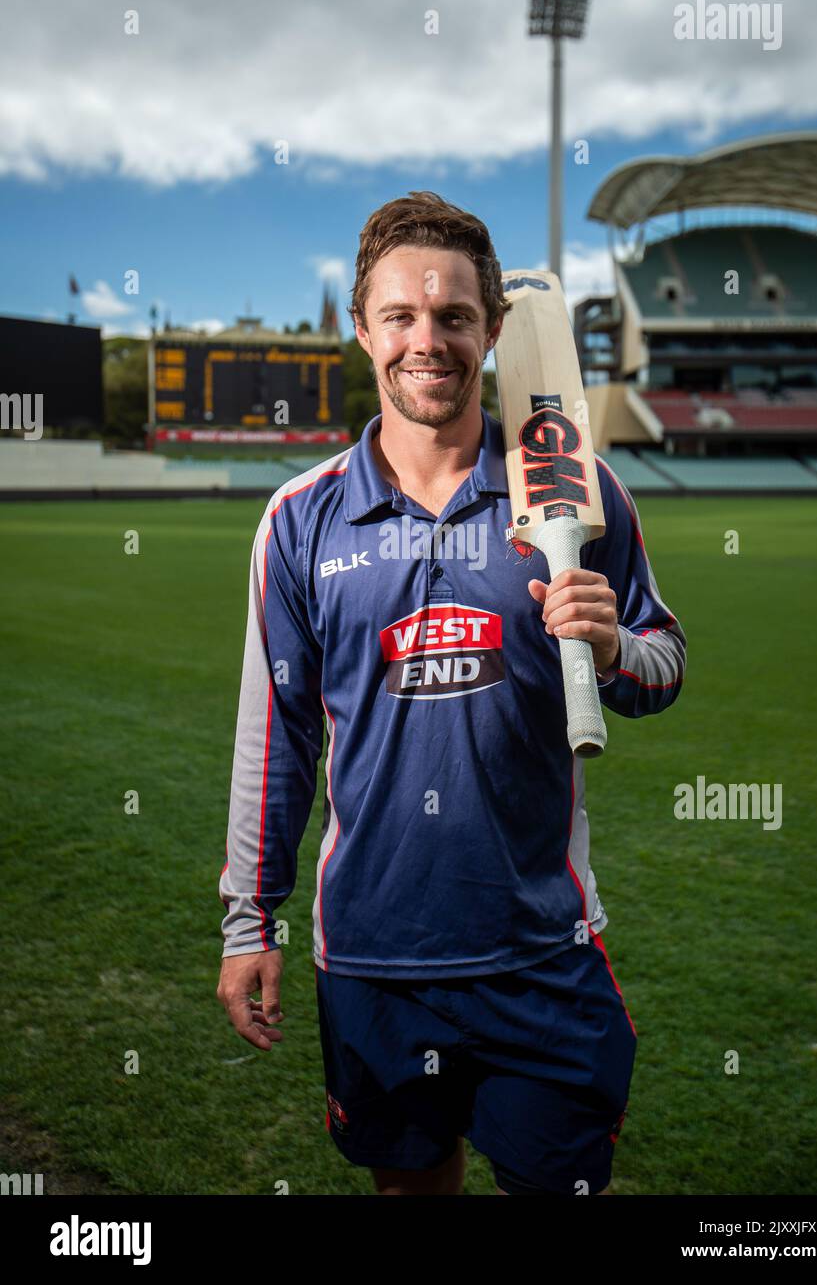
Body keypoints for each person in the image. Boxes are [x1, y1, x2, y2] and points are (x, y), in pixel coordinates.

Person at [216, 191, 686, 1195]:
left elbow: (665, 662)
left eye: (453, 316)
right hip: (376, 961)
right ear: (361, 327)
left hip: (539, 950)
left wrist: (610, 651)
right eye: (399, 316)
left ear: (494, 328)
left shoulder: (578, 488)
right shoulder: (298, 523)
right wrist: (249, 923)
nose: (425, 341)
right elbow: (275, 740)